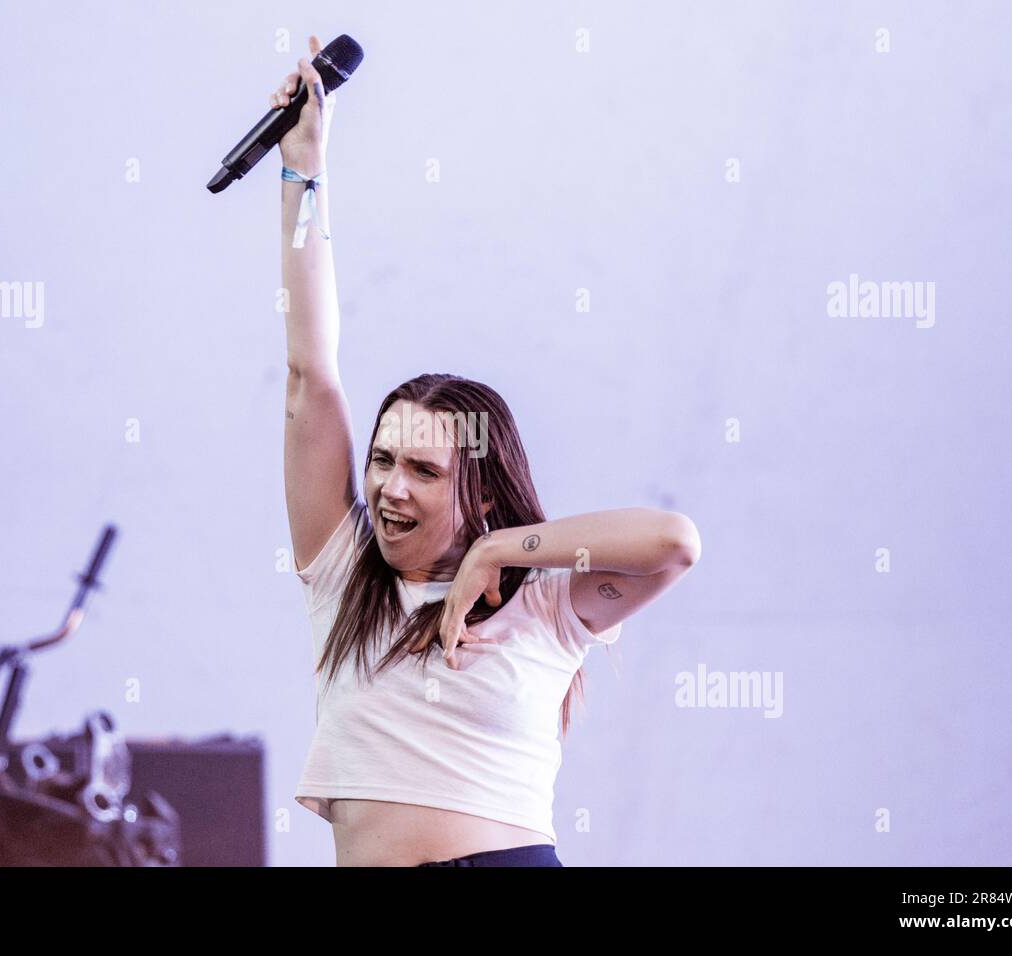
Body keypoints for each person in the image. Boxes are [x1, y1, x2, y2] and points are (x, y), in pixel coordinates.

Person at [275, 36, 702, 867]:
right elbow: (310, 373)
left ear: (481, 489)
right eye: (384, 459)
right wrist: (304, 173)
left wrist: (503, 550)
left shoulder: (547, 601)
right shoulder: (343, 570)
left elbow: (675, 543)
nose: (390, 488)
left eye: (425, 470)